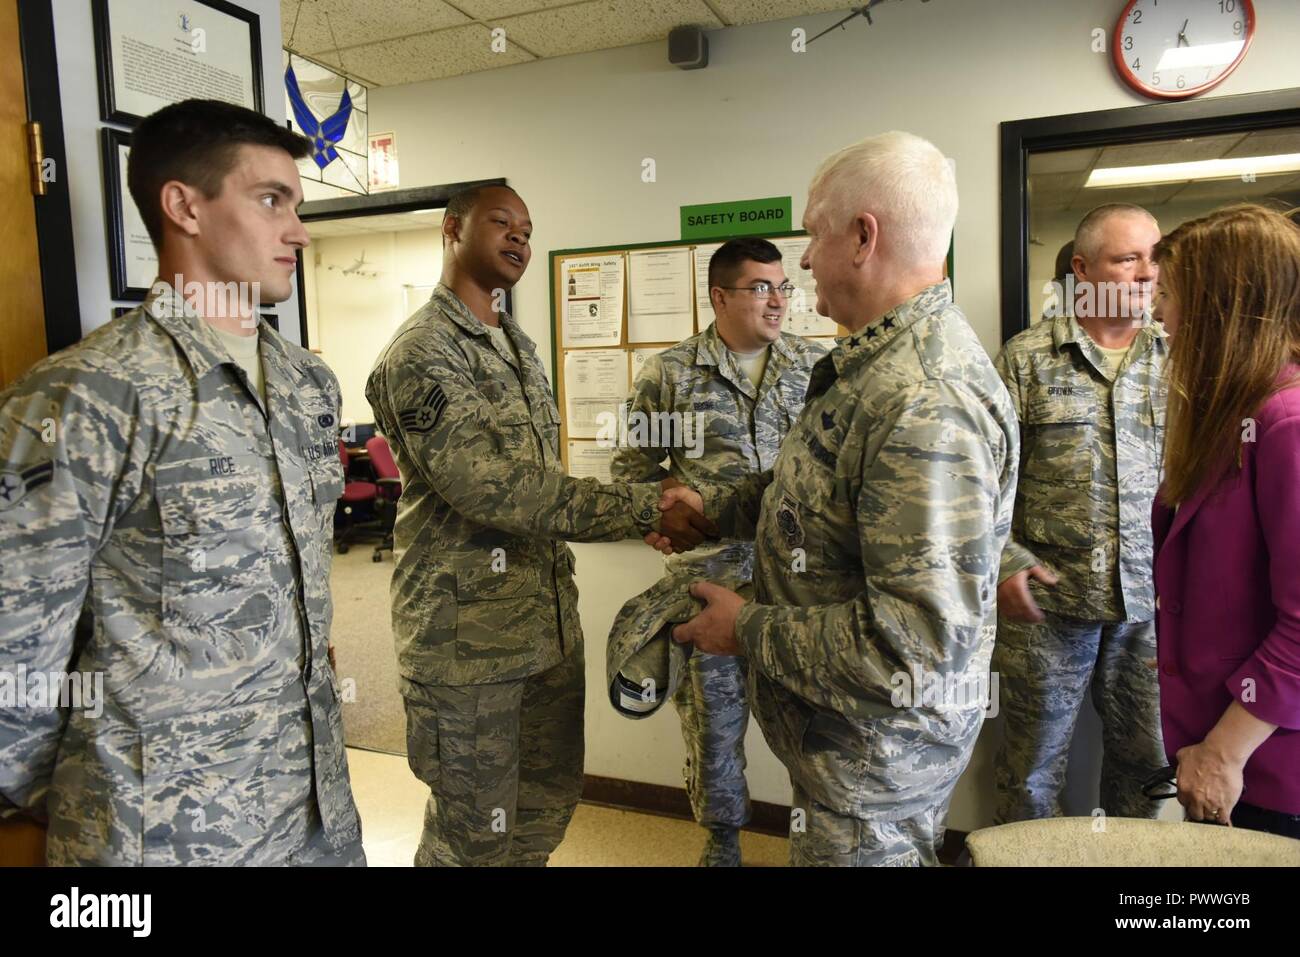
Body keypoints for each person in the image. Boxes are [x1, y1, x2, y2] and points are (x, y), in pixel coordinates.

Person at [0, 99, 365, 865]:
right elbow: (15, 640)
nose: (297, 230)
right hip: (160, 832)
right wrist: (45, 806)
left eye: (296, 204)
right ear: (183, 207)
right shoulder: (89, 392)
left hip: (315, 813)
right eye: (271, 200)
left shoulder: (307, 384)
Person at [660, 131, 1018, 866]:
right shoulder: (873, 363)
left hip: (872, 772)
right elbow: (818, 489)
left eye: (813, 233)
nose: (801, 261)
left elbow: (912, 641)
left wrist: (749, 629)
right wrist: (722, 506)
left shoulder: (926, 396)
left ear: (863, 236)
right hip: (842, 749)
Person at [364, 184, 715, 867]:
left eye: (528, 228)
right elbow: (491, 488)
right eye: (502, 223)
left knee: (544, 809)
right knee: (471, 839)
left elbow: (540, 489)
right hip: (466, 648)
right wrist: (646, 507)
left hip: (545, 633)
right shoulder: (422, 352)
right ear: (452, 227)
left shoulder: (517, 345)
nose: (520, 238)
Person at [610, 237, 824, 866]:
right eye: (761, 287)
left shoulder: (817, 369)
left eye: (784, 286)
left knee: (812, 729)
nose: (778, 300)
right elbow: (630, 471)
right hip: (709, 586)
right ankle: (720, 847)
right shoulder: (670, 373)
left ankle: (817, 846)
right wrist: (664, 516)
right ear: (719, 296)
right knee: (714, 728)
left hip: (799, 590)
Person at [992, 203, 1168, 823]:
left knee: (1147, 768)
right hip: (1049, 607)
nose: (1149, 274)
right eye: (1128, 259)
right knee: (1030, 773)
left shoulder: (1176, 359)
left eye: (1155, 257)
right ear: (1082, 269)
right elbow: (982, 479)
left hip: (1150, 607)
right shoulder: (1026, 359)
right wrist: (1004, 562)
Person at [1150, 203, 1300, 838]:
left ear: (1220, 309)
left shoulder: (1284, 425)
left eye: (1168, 297)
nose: (1158, 316)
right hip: (1221, 754)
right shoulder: (1229, 421)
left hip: (1264, 765)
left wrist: (1224, 751)